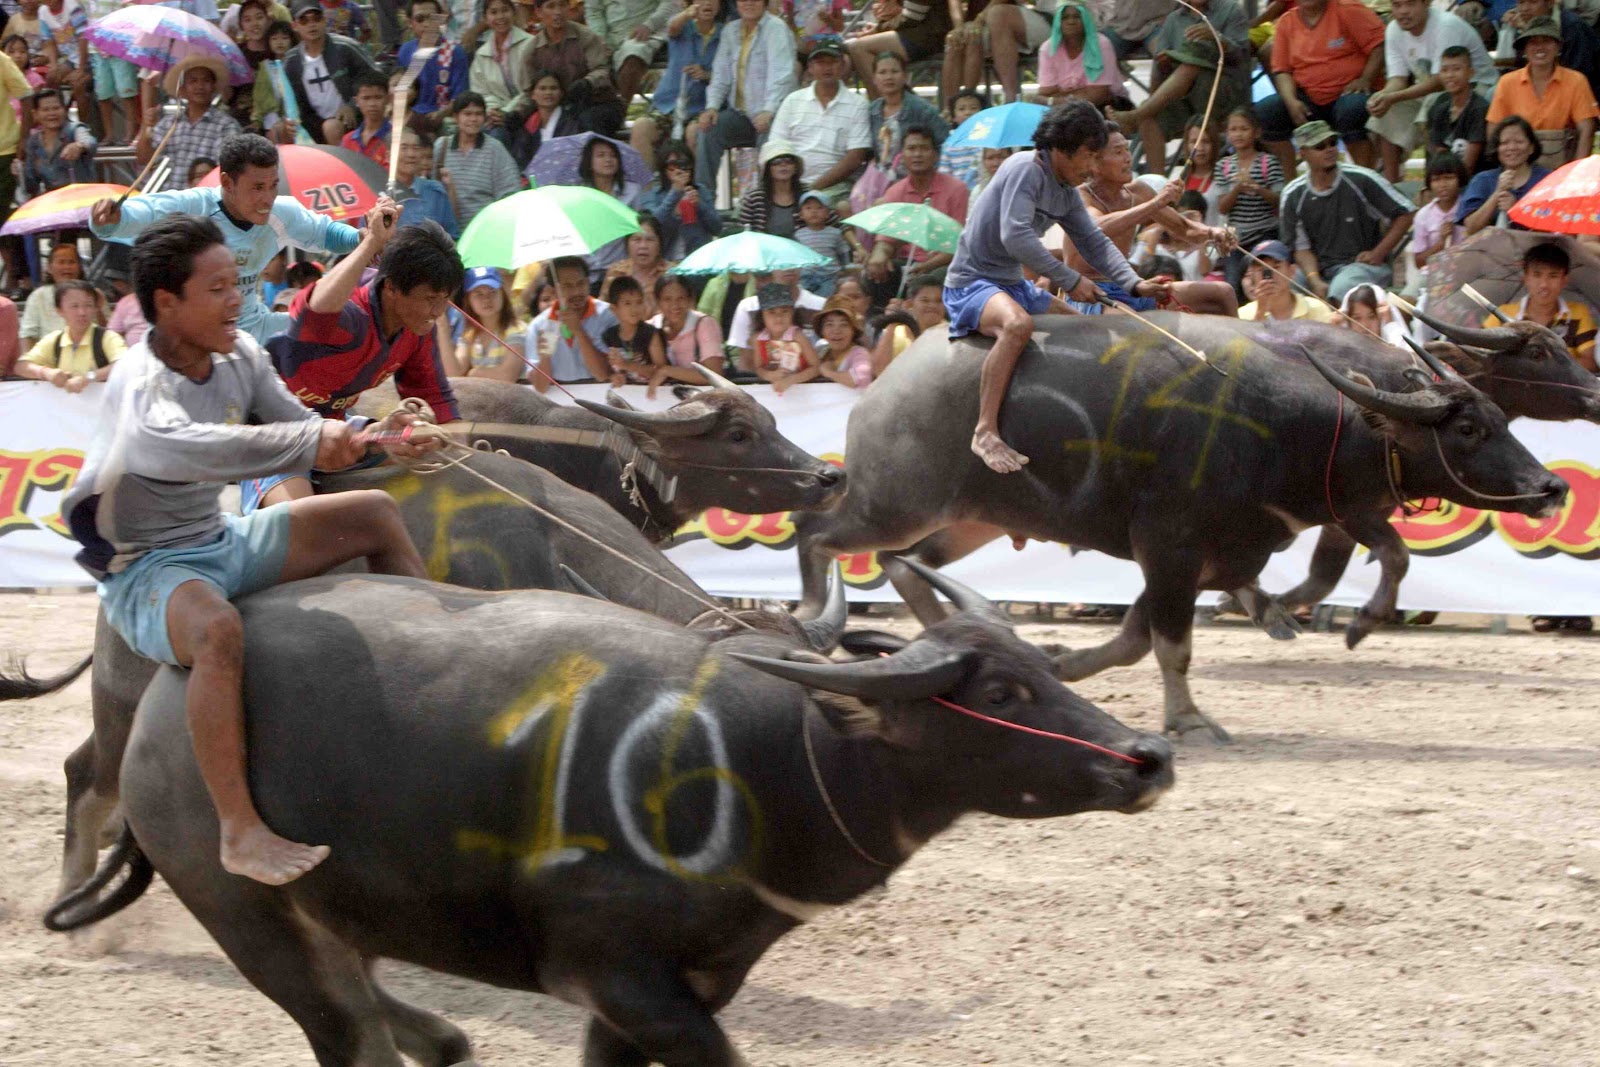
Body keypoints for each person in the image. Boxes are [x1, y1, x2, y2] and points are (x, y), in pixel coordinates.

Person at [61, 214, 436, 886]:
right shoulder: (138, 382)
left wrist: (372, 434)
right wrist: (307, 442)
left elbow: (295, 420)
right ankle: (238, 829)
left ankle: (429, 699)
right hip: (150, 570)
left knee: (376, 512)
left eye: (237, 283)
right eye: (218, 288)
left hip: (221, 541)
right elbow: (186, 446)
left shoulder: (243, 355)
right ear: (166, 304)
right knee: (215, 629)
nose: (238, 298)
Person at [944, 101, 1167, 473]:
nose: (1094, 169)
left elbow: (1093, 241)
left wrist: (1134, 283)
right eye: (1089, 157)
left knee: (1093, 324)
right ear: (1062, 147)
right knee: (1017, 326)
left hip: (1012, 284)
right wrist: (1071, 280)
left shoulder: (1065, 189)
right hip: (973, 283)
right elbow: (1014, 236)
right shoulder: (1024, 168)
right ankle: (984, 431)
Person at [247, 210, 464, 510]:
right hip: (274, 430)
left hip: (339, 428)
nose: (439, 311)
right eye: (430, 298)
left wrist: (452, 449)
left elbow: (436, 398)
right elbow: (310, 314)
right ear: (390, 287)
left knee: (424, 446)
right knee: (304, 525)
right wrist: (371, 242)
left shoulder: (417, 333)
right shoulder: (351, 315)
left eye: (446, 298)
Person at [92, 134, 362, 344]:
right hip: (192, 339)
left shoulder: (282, 212)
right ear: (227, 182)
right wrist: (109, 218)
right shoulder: (193, 208)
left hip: (253, 331)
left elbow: (327, 233)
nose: (267, 198)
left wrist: (363, 239)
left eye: (272, 185)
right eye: (257, 187)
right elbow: (137, 215)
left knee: (341, 325)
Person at [1071, 127, 1238, 315]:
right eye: (1118, 152)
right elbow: (1096, 227)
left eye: (1127, 149)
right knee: (1128, 321)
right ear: (1094, 161)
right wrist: (1157, 202)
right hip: (1089, 291)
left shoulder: (1138, 192)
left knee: (1223, 293)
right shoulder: (1079, 197)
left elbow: (1185, 229)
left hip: (1131, 286)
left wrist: (1213, 233)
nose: (1128, 157)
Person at [1278, 119, 1415, 303]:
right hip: (1317, 269)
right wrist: (1314, 279)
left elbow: (1406, 213)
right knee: (1284, 284)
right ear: (1303, 153)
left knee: (1341, 289)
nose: (1329, 149)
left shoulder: (1362, 179)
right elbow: (1300, 249)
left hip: (1361, 267)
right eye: (1320, 146)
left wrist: (1378, 253)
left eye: (1333, 143)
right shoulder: (1292, 194)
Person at [1107, 0, 1251, 173]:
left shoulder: (1231, 10)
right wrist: (1165, 66)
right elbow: (1157, 69)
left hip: (1222, 96)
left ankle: (1136, 115)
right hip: (1185, 100)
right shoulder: (1173, 20)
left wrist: (1218, 38)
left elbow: (1243, 55)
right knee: (1150, 115)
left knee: (1191, 62)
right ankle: (1157, 185)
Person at [1364, 0, 1495, 182]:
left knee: (1432, 103)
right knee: (1387, 112)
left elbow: (1440, 80)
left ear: (1426, 3)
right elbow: (1398, 79)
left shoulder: (1446, 25)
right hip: (1431, 89)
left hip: (1476, 86)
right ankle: (1392, 185)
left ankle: (1433, 180)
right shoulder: (1393, 29)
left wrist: (1392, 96)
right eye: (1397, 5)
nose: (1403, 12)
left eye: (1410, 5)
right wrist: (1384, 96)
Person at [1256, 0, 1386, 172]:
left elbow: (1379, 46)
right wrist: (1291, 101)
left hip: (1349, 93)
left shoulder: (1349, 10)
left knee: (1350, 111)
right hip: (1308, 97)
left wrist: (1365, 79)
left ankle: (1365, 178)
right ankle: (1286, 184)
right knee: (1267, 111)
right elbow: (1282, 71)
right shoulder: (1286, 22)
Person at [695, 0, 795, 190]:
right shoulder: (730, 30)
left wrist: (769, 110)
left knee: (769, 136)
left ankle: (764, 202)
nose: (749, 3)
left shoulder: (776, 28)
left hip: (774, 113)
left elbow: (781, 76)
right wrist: (712, 107)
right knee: (708, 129)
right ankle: (704, 199)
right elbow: (720, 75)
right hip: (740, 113)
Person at [865, 125, 969, 304]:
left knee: (932, 279)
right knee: (875, 274)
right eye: (911, 149)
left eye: (924, 148)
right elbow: (886, 240)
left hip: (945, 263)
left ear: (936, 155)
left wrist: (927, 266)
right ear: (902, 155)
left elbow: (960, 244)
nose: (917, 154)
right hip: (909, 262)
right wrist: (879, 256)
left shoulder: (956, 189)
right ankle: (883, 324)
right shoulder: (895, 192)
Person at [766, 36, 870, 203]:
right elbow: (775, 148)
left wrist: (812, 189)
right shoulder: (792, 100)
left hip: (837, 187)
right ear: (810, 68)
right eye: (821, 62)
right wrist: (789, 186)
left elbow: (855, 157)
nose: (827, 67)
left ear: (843, 65)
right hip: (789, 185)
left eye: (832, 61)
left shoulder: (858, 105)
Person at [1487, 16, 1599, 169]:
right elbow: (1494, 130)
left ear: (1558, 47)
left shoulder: (1576, 81)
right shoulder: (1507, 82)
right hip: (1518, 165)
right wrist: (1505, 170)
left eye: (1546, 41)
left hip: (1562, 165)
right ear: (1525, 49)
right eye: (1533, 42)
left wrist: (1575, 172)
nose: (1540, 47)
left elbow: (1586, 130)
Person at [516, 0, 621, 137]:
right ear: (538, 12)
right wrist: (517, 113)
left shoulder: (586, 36)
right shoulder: (532, 50)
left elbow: (602, 70)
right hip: (556, 108)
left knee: (586, 121)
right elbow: (529, 91)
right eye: (551, 6)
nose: (558, 12)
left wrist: (587, 83)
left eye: (562, 5)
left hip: (598, 103)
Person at [282, 0, 379, 146]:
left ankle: (342, 167)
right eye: (304, 20)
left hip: (351, 117)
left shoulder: (345, 47)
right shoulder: (291, 60)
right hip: (312, 121)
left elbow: (374, 77)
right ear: (295, 26)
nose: (311, 24)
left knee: (331, 127)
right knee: (279, 130)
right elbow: (288, 98)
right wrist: (288, 121)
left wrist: (353, 104)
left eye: (316, 18)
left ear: (324, 20)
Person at [139, 56, 242, 191]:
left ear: (214, 87)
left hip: (202, 203)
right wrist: (147, 128)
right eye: (193, 81)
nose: (200, 86)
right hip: (166, 201)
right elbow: (144, 159)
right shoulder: (168, 124)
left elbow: (229, 171)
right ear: (182, 89)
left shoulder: (227, 126)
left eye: (206, 81)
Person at [1213, 105, 1284, 298]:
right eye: (1233, 129)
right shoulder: (1223, 166)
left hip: (1265, 233)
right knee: (1233, 286)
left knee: (1266, 283)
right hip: (1237, 240)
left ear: (1256, 132)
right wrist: (1237, 188)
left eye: (1244, 129)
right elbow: (1222, 207)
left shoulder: (1268, 162)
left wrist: (1257, 188)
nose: (1238, 134)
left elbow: (1279, 200)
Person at [1493, 242, 1597, 371]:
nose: (1544, 285)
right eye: (1537, 275)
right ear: (1526, 278)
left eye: (1553, 276)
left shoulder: (1579, 313)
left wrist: (1549, 364)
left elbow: (1591, 362)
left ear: (1564, 280)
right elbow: (1482, 353)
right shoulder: (1502, 314)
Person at [524, 254, 617, 389]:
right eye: (567, 286)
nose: (576, 292)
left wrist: (578, 331)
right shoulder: (538, 326)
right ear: (554, 290)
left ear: (588, 282)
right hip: (559, 401)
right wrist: (544, 357)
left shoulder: (608, 314)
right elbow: (541, 388)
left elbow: (603, 375)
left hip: (601, 395)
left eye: (581, 283)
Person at [12, 279, 123, 391]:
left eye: (88, 305)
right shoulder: (55, 340)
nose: (82, 312)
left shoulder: (108, 337)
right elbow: (21, 366)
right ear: (59, 310)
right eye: (74, 306)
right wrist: (46, 373)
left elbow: (124, 364)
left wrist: (89, 377)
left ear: (95, 308)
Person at [433, 92, 522, 229]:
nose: (473, 119)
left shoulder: (495, 148)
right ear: (456, 117)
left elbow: (510, 190)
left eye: (478, 114)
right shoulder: (442, 146)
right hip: (448, 230)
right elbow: (433, 187)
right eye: (467, 114)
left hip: (485, 228)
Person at [941, 0, 1053, 109]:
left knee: (976, 32)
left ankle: (969, 104)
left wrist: (979, 20)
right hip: (982, 22)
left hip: (1002, 19)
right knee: (954, 40)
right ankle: (948, 109)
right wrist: (958, 27)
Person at [1457, 115, 1550, 234]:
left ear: (1531, 148)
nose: (1511, 148)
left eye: (1519, 142)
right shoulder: (1482, 180)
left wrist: (1517, 211)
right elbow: (1470, 228)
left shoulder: (1546, 180)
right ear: (1497, 149)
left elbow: (1552, 230)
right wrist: (1497, 194)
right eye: (1504, 143)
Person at [868, 50, 948, 182]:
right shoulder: (872, 111)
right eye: (882, 72)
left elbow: (945, 146)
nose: (889, 77)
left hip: (916, 179)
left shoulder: (922, 109)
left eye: (894, 72)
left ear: (905, 76)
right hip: (880, 181)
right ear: (874, 79)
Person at [845, 0, 958, 92]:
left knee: (858, 47)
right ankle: (888, 103)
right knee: (846, 50)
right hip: (916, 33)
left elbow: (911, 17)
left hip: (927, 37)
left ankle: (887, 105)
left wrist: (877, 29)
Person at [471, 0, 535, 162]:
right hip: (496, 116)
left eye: (504, 10)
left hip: (527, 110)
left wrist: (507, 112)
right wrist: (493, 111)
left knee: (497, 135)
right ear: (486, 18)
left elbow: (531, 89)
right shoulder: (482, 54)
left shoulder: (529, 43)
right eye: (493, 12)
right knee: (478, 134)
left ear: (513, 13)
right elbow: (481, 92)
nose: (500, 16)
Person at [1032, 1, 1126, 111]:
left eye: (1077, 17)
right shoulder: (1048, 48)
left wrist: (1056, 98)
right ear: (1058, 21)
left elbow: (1098, 96)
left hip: (1110, 105)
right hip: (1066, 109)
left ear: (1085, 19)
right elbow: (1045, 93)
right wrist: (1083, 92)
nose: (1071, 22)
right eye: (1065, 18)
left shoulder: (1101, 44)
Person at [637, 141, 723, 260]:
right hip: (665, 261)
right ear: (664, 169)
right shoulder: (652, 196)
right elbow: (653, 226)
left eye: (684, 164)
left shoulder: (701, 191)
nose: (679, 170)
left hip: (697, 259)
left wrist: (700, 205)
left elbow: (717, 228)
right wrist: (675, 193)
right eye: (672, 165)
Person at [578, 136, 645, 284]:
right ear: (589, 162)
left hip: (621, 269)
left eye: (613, 155)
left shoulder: (632, 192)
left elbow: (638, 230)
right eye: (601, 155)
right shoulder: (579, 195)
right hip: (587, 270)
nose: (608, 160)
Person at [586, 0, 676, 107]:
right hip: (610, 35)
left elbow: (671, 3)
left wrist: (649, 25)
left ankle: (620, 111)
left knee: (633, 54)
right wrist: (600, 38)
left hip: (647, 32)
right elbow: (593, 11)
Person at [399, 0, 470, 135]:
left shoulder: (455, 51)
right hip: (412, 116)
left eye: (432, 18)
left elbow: (460, 97)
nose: (427, 24)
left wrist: (441, 114)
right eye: (420, 19)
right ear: (410, 23)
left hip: (444, 117)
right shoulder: (405, 51)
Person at [727, 267, 826, 364]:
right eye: (782, 265)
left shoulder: (820, 305)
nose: (790, 268)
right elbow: (745, 360)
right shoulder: (747, 307)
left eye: (794, 264)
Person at [652, 0, 721, 137]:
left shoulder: (726, 33)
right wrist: (686, 15)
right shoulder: (682, 25)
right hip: (668, 104)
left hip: (702, 107)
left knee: (695, 133)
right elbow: (672, 28)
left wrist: (706, 75)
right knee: (642, 127)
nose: (707, 3)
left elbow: (729, 75)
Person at [648, 272, 726, 389]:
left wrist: (667, 371)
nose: (675, 305)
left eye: (681, 298)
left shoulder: (704, 324)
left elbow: (714, 375)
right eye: (667, 299)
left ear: (690, 299)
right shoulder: (650, 327)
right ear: (658, 301)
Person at [451, 265, 526, 381]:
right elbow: (454, 373)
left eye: (492, 292)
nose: (486, 299)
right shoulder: (469, 334)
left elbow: (507, 376)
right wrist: (442, 327)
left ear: (502, 294)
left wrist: (472, 373)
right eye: (478, 294)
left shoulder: (516, 329)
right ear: (468, 300)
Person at [1236, 238, 1339, 322]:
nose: (1269, 275)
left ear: (1292, 271)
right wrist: (1260, 311)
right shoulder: (1242, 315)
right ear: (1252, 275)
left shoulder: (1316, 309)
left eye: (1276, 267)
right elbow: (1244, 347)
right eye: (1260, 269)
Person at [1425, 45, 1491, 175]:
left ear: (1470, 73)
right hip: (1445, 180)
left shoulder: (1479, 109)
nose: (1450, 75)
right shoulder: (1439, 108)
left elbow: (1469, 165)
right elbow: (1437, 157)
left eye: (1456, 69)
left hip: (1472, 178)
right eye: (1444, 70)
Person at [747, 282, 819, 394]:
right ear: (762, 315)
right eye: (772, 312)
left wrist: (791, 380)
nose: (779, 317)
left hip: (804, 393)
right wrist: (769, 375)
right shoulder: (758, 339)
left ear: (792, 312)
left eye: (784, 311)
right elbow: (759, 368)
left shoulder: (798, 336)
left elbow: (816, 367)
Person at [22, 87, 94, 195]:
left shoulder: (75, 129)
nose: (52, 113)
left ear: (65, 110)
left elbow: (89, 141)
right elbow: (31, 183)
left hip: (81, 197)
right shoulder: (34, 142)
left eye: (56, 108)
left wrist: (79, 146)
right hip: (52, 201)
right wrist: (20, 170)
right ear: (35, 114)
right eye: (45, 110)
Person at [871, 273, 946, 374]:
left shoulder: (952, 333)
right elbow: (879, 371)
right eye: (925, 300)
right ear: (910, 304)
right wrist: (892, 321)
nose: (932, 305)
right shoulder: (894, 333)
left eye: (939, 301)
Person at [601, 213, 675, 315]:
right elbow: (603, 311)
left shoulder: (671, 274)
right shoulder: (616, 272)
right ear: (627, 245)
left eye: (650, 240)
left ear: (660, 245)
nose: (643, 246)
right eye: (637, 239)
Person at [601, 275, 667, 387]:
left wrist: (627, 365)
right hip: (629, 393)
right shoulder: (609, 336)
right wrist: (616, 377)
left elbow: (662, 371)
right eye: (627, 303)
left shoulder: (650, 333)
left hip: (655, 391)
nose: (635, 308)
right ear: (614, 309)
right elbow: (609, 369)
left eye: (639, 302)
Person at [393, 128, 459, 236]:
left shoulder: (435, 192)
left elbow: (451, 236)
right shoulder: (376, 193)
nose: (411, 154)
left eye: (415, 148)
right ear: (388, 155)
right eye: (404, 148)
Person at [20, 241, 83, 349]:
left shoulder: (92, 294)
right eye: (61, 262)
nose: (67, 267)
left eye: (71, 262)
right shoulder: (38, 296)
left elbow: (107, 331)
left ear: (79, 267)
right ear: (49, 268)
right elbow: (28, 334)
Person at [1412, 152, 1468, 273]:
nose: (1442, 185)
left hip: (1464, 271)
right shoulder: (1424, 215)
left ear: (1460, 179)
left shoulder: (1468, 208)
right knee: (1408, 292)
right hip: (1432, 273)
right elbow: (1419, 262)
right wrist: (1441, 243)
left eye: (1449, 178)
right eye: (1436, 180)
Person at [738, 141, 807, 238]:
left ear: (796, 167)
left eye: (789, 161)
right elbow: (743, 233)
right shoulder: (753, 198)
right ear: (767, 169)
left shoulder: (808, 194)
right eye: (776, 162)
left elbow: (831, 224)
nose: (783, 165)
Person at [251, 20, 300, 143]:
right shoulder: (265, 67)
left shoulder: (298, 64)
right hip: (271, 120)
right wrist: (256, 120)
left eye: (284, 38)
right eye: (274, 38)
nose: (279, 42)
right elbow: (259, 97)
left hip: (295, 118)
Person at [795, 190, 850, 298]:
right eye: (808, 208)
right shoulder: (798, 235)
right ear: (801, 214)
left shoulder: (835, 233)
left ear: (827, 214)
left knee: (825, 300)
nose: (814, 212)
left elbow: (843, 252)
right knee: (804, 299)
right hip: (806, 276)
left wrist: (844, 268)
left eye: (819, 208)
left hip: (829, 276)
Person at [815, 292, 874, 388]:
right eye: (829, 324)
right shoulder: (819, 350)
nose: (836, 331)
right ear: (822, 330)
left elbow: (861, 379)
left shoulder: (859, 353)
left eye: (844, 325)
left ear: (853, 330)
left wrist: (829, 372)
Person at [339, 70, 392, 167]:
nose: (372, 104)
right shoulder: (348, 140)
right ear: (356, 101)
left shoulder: (396, 139)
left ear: (388, 99)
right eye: (366, 98)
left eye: (378, 97)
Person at [938, 89, 985, 189]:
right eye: (961, 109)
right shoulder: (950, 143)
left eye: (973, 108)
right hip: (958, 191)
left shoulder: (987, 138)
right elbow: (945, 173)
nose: (968, 112)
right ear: (953, 117)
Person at [1339, 282, 1408, 346]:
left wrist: (1389, 324)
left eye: (1371, 317)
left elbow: (1408, 355)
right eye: (1357, 318)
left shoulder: (1394, 346)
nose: (1365, 325)